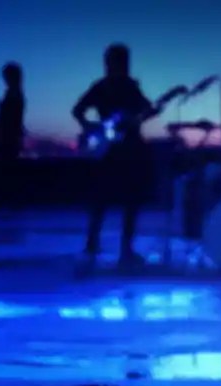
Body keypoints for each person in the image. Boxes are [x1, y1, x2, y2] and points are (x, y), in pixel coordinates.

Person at [72, 43, 157, 269]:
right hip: (118, 150)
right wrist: (91, 127)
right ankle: (103, 246)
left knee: (122, 199)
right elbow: (78, 110)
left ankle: (112, 247)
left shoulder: (125, 87)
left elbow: (146, 110)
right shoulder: (106, 87)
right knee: (111, 199)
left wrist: (144, 114)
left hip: (126, 149)